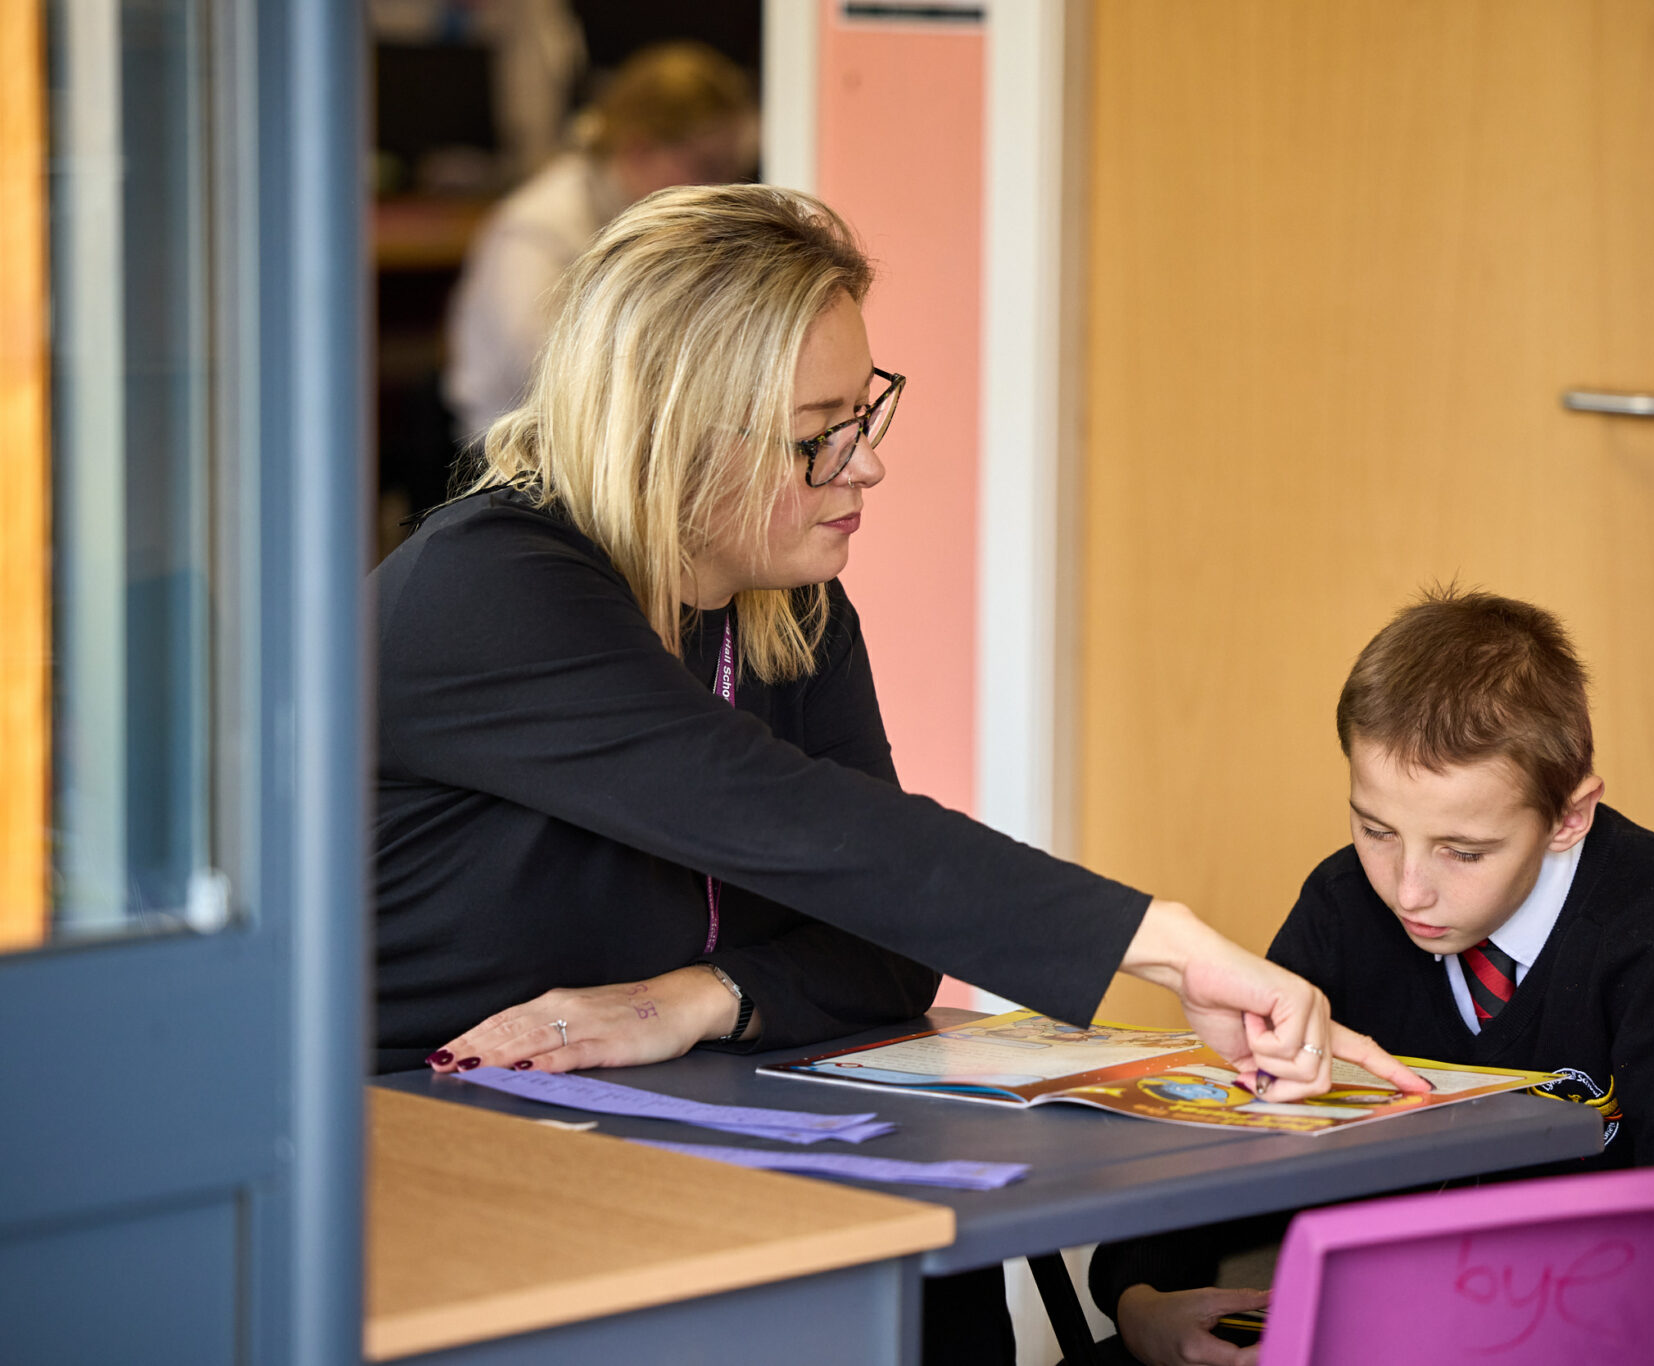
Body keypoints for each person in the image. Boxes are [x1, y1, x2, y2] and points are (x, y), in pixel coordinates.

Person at [373, 183, 1425, 1365]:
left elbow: (881, 937)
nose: (864, 463)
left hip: (667, 1108)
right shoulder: (490, 591)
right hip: (419, 1134)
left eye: (864, 410)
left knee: (938, 1292)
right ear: (674, 430)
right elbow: (810, 830)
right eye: (817, 432)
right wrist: (1170, 945)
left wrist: (687, 999)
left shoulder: (789, 610)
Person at [1087, 588, 1654, 1366]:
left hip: (1620, 1327)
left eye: (1463, 852)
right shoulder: (1343, 906)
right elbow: (1231, 1139)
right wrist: (1141, 1303)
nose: (1409, 891)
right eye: (1375, 830)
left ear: (1568, 816)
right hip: (1399, 1317)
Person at [443, 41, 759, 441]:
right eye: (707, 166)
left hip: (611, 438)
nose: (721, 188)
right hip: (515, 452)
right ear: (639, 150)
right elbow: (549, 376)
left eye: (733, 169)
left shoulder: (652, 221)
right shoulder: (538, 228)